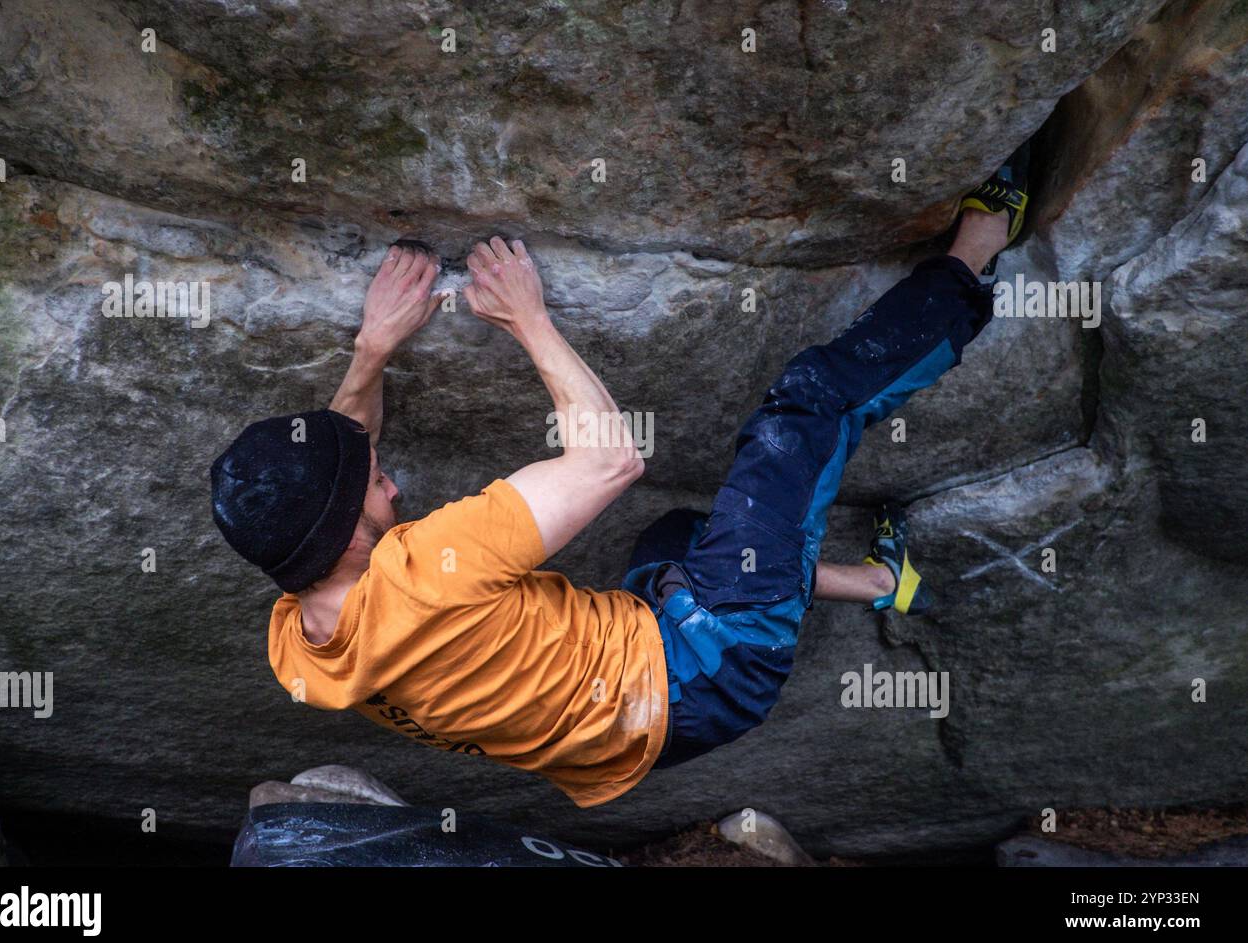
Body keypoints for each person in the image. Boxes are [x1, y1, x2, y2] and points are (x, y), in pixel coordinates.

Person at [210, 146, 1030, 805]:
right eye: (375, 486)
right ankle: (977, 253)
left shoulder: (298, 641)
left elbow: (339, 478)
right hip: (713, 663)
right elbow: (611, 458)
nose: (393, 482)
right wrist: (529, 319)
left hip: (639, 729)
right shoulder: (432, 568)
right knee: (804, 411)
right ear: (354, 536)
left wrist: (372, 349)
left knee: (677, 539)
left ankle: (884, 580)